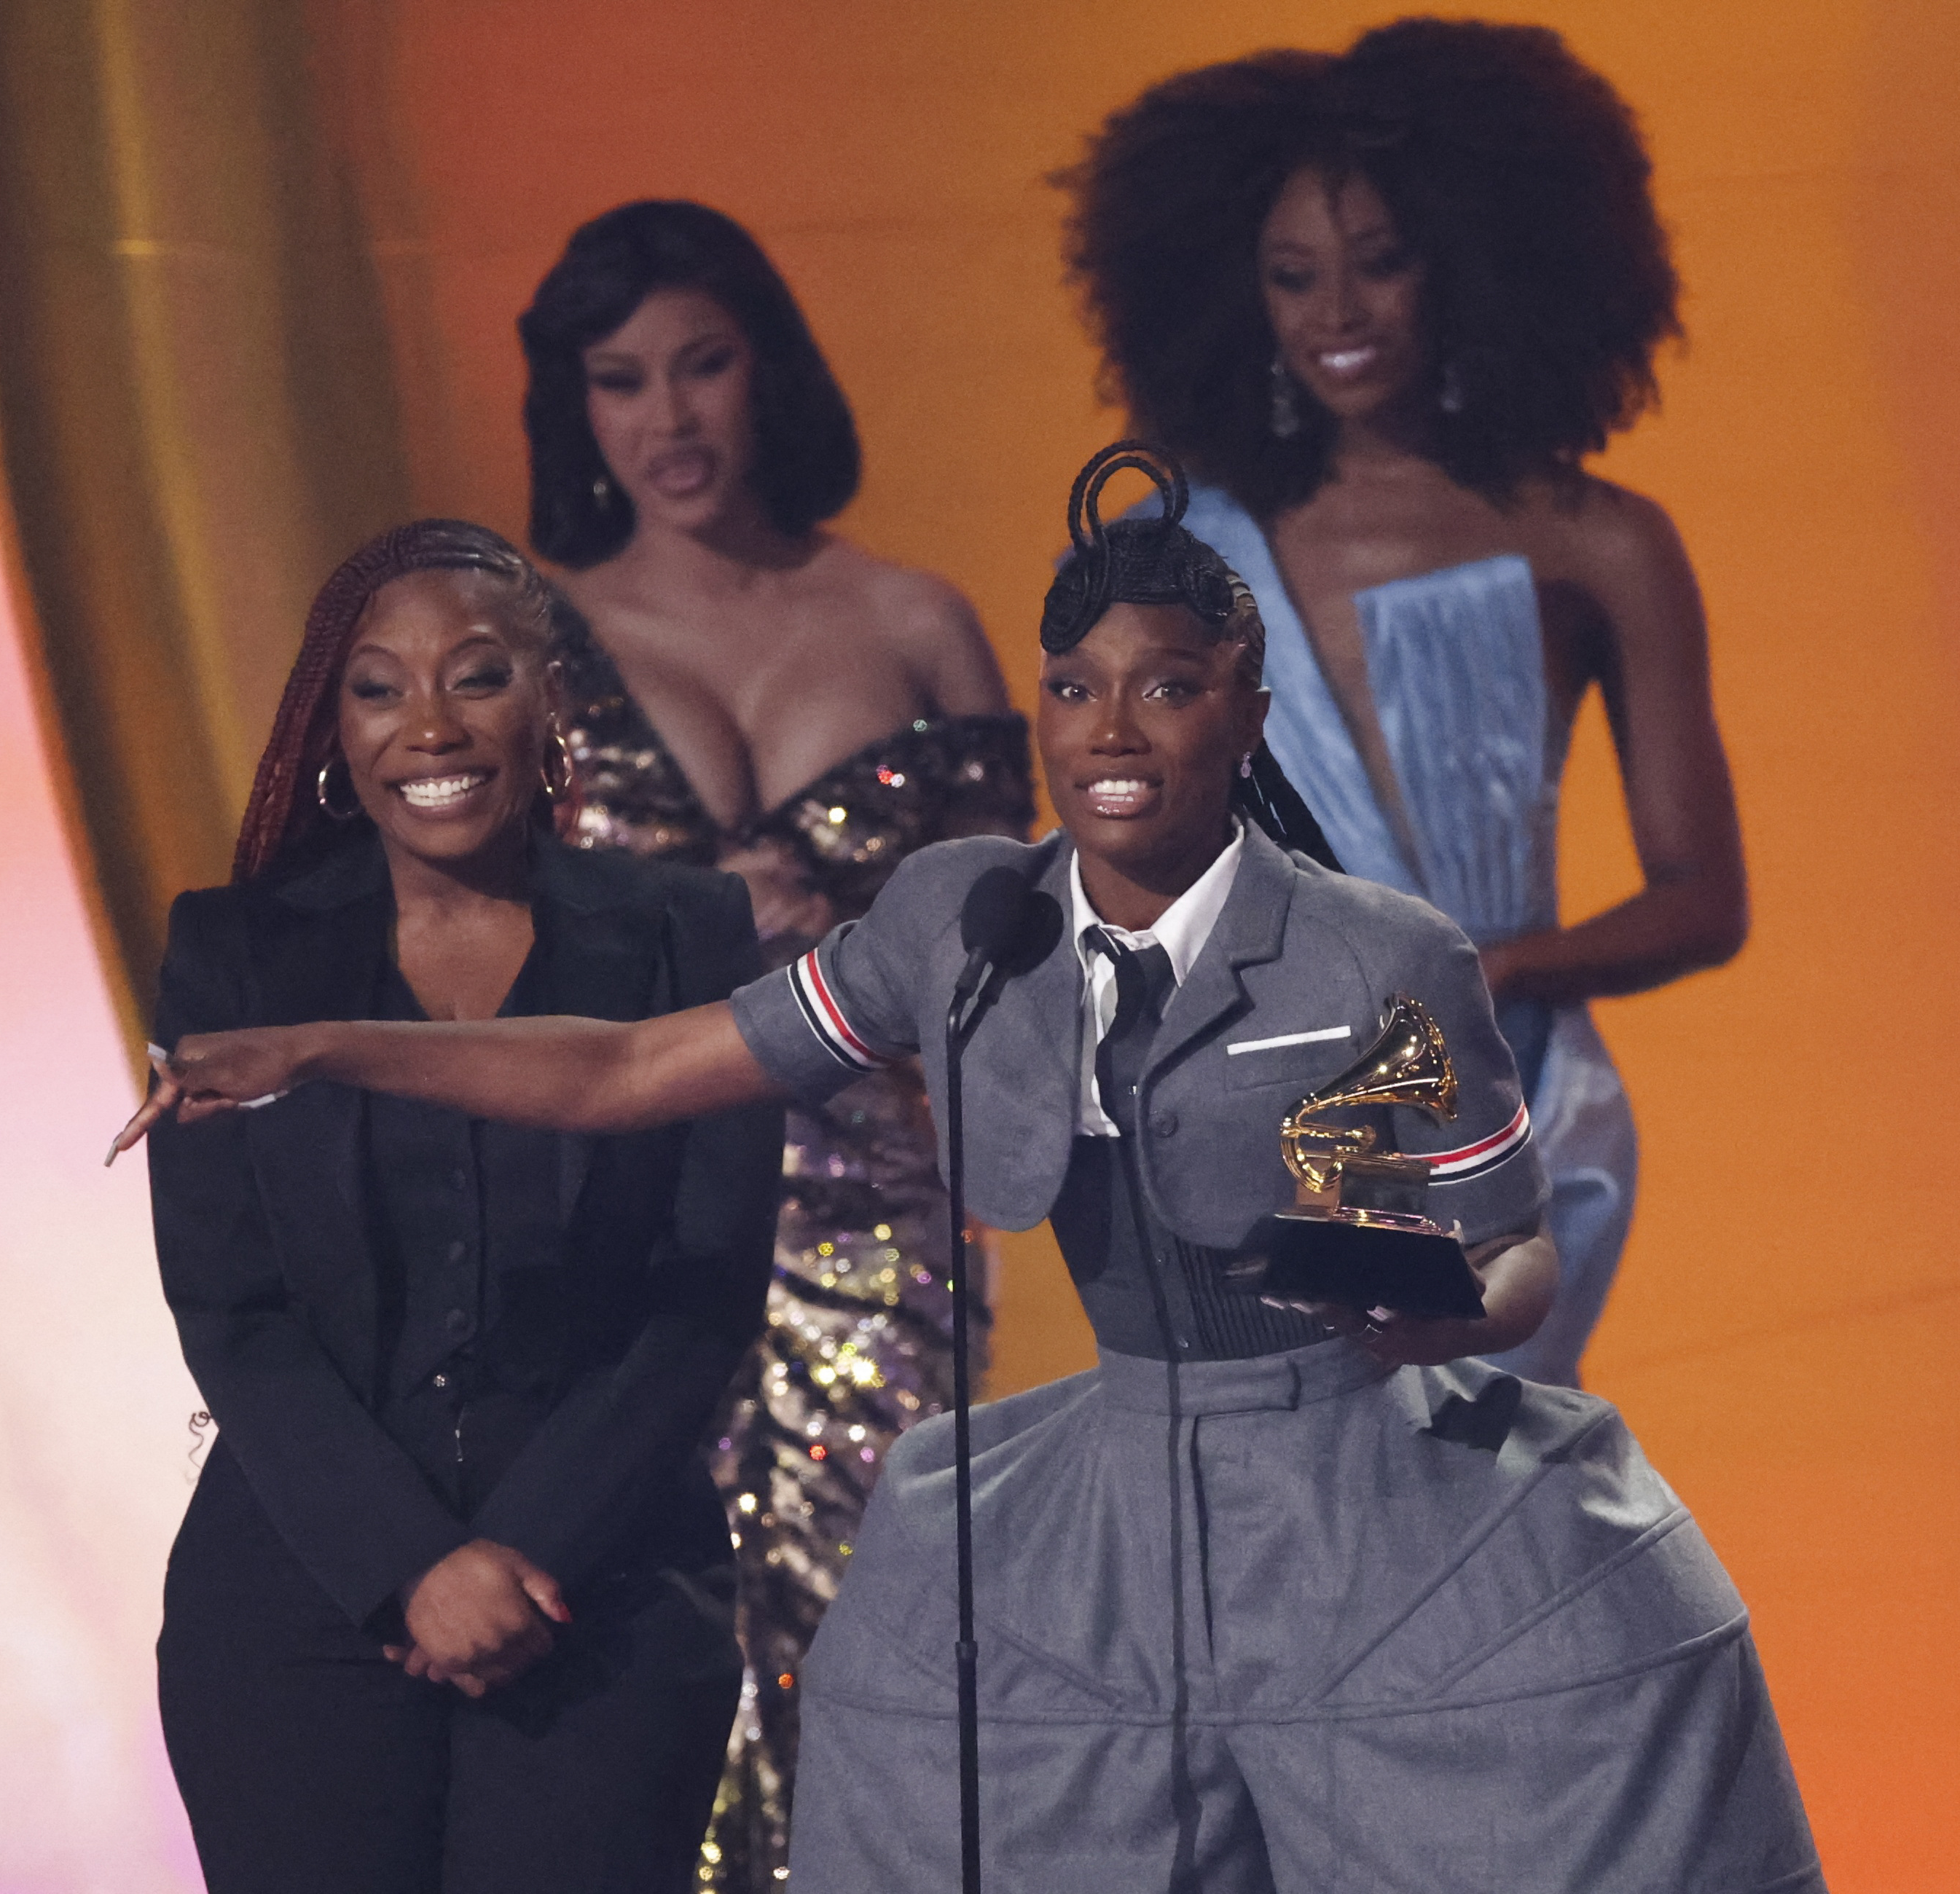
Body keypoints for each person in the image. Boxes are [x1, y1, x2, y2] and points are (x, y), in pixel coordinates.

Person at [117, 447, 1822, 1893]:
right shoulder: (966, 917)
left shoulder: (1382, 952)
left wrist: (1418, 1303)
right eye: (1073, 688)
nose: (1111, 730)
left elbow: (1515, 1255)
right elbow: (632, 1067)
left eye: (1166, 687)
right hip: (1101, 1516)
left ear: (1247, 709)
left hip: (1369, 1507)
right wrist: (329, 1047)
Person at [1059, 18, 1751, 1385]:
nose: (1338, 312)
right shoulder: (1167, 552)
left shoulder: (1597, 543)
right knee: (1266, 1489)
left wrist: (1488, 973)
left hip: (1507, 1107)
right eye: (1292, 276)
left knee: (1465, 1476)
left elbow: (1701, 899)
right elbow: (1114, 860)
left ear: (1475, 259)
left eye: (1382, 261)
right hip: (1237, 1107)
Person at [138, 519, 782, 1892]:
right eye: (380, 689)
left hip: (602, 1598)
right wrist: (410, 1565)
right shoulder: (235, 955)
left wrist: (526, 1553)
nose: (430, 726)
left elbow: (707, 1282)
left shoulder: (686, 934)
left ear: (551, 704)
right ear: (335, 729)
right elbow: (234, 1307)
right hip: (300, 1604)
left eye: (477, 676)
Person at [516, 197, 1032, 1883]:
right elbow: (473, 958)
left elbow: (1019, 962)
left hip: (880, 1215)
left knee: (882, 1641)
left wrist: (877, 959)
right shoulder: (521, 644)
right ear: (575, 408)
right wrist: (671, 932)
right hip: (623, 1216)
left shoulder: (915, 619)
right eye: (618, 381)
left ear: (771, 369)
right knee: (640, 1649)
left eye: (703, 365)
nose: (666, 419)